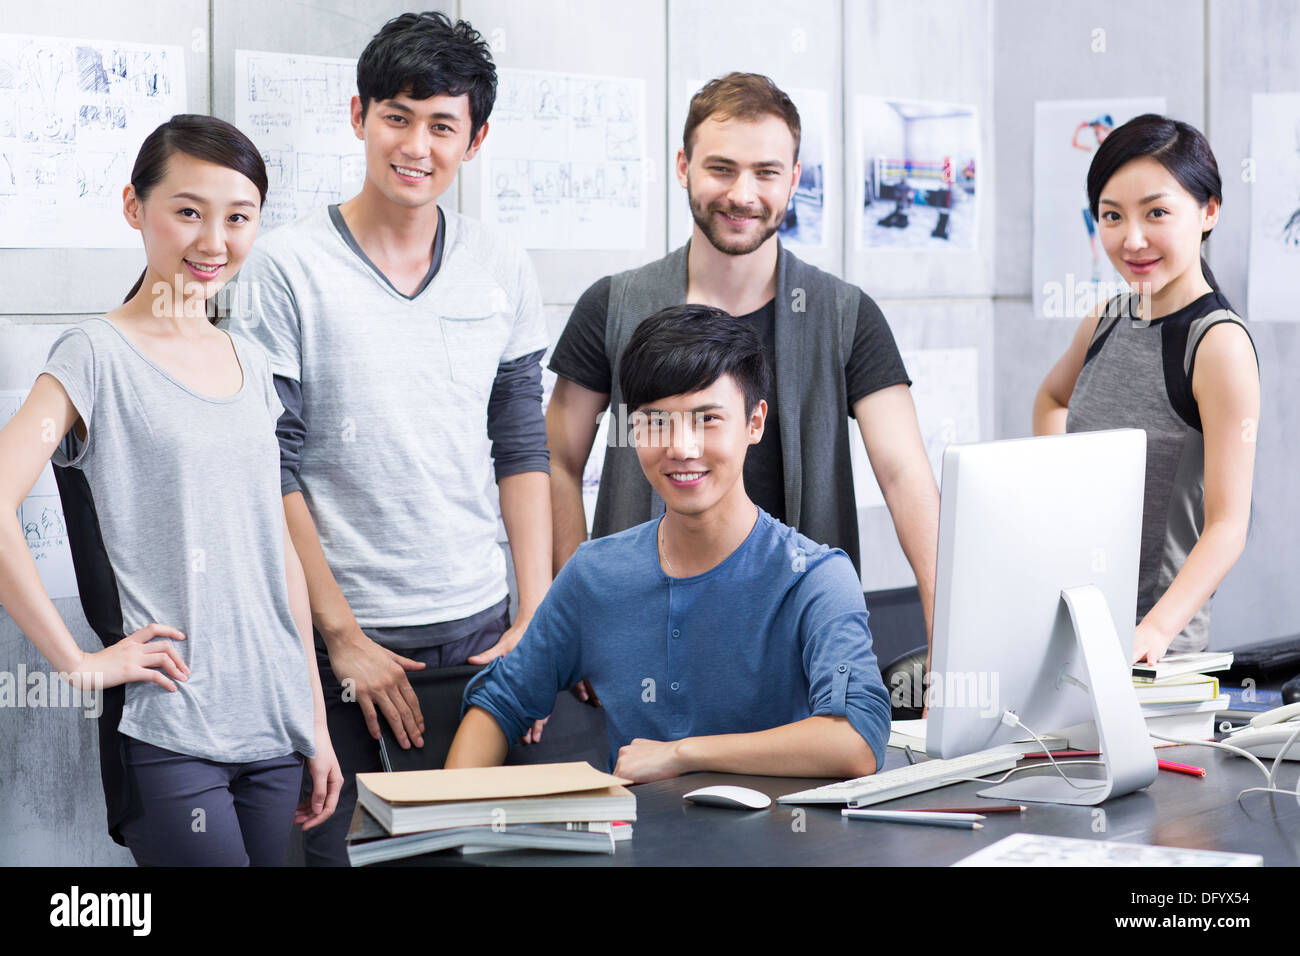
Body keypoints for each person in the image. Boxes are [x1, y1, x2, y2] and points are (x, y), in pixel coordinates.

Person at [232, 11, 552, 866]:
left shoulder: (503, 265)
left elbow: (521, 445)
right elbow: (271, 462)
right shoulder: (285, 266)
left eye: (442, 124)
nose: (417, 144)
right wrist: (340, 638)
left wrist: (535, 615)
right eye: (397, 116)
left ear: (474, 140)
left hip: (484, 631)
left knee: (487, 858)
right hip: (348, 637)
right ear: (358, 117)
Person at [0, 114, 341, 866]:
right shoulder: (95, 353)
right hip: (170, 727)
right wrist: (80, 663)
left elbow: (276, 552)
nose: (213, 241)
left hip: (275, 725)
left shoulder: (251, 363)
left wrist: (313, 719)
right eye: (188, 211)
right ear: (135, 208)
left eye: (238, 217)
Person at [547, 72, 939, 652]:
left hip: (799, 641)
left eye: (766, 172)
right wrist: (571, 611)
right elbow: (556, 458)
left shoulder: (843, 314)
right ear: (683, 167)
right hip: (643, 640)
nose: (743, 194)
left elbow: (906, 475)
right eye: (722, 168)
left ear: (795, 180)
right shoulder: (613, 305)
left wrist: (948, 628)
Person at [447, 305, 892, 782]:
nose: (681, 447)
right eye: (656, 421)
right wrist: (435, 819)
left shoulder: (816, 578)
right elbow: (498, 704)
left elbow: (856, 741)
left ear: (754, 423)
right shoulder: (595, 574)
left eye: (707, 420)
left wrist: (683, 753)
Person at [1033, 114, 1259, 664]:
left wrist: (1153, 631)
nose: (1132, 239)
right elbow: (1051, 401)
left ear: (1208, 211)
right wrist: (1063, 484)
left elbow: (1228, 525)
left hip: (1154, 656)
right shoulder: (1105, 319)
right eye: (1112, 216)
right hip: (1069, 626)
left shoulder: (1216, 345)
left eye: (1156, 212)